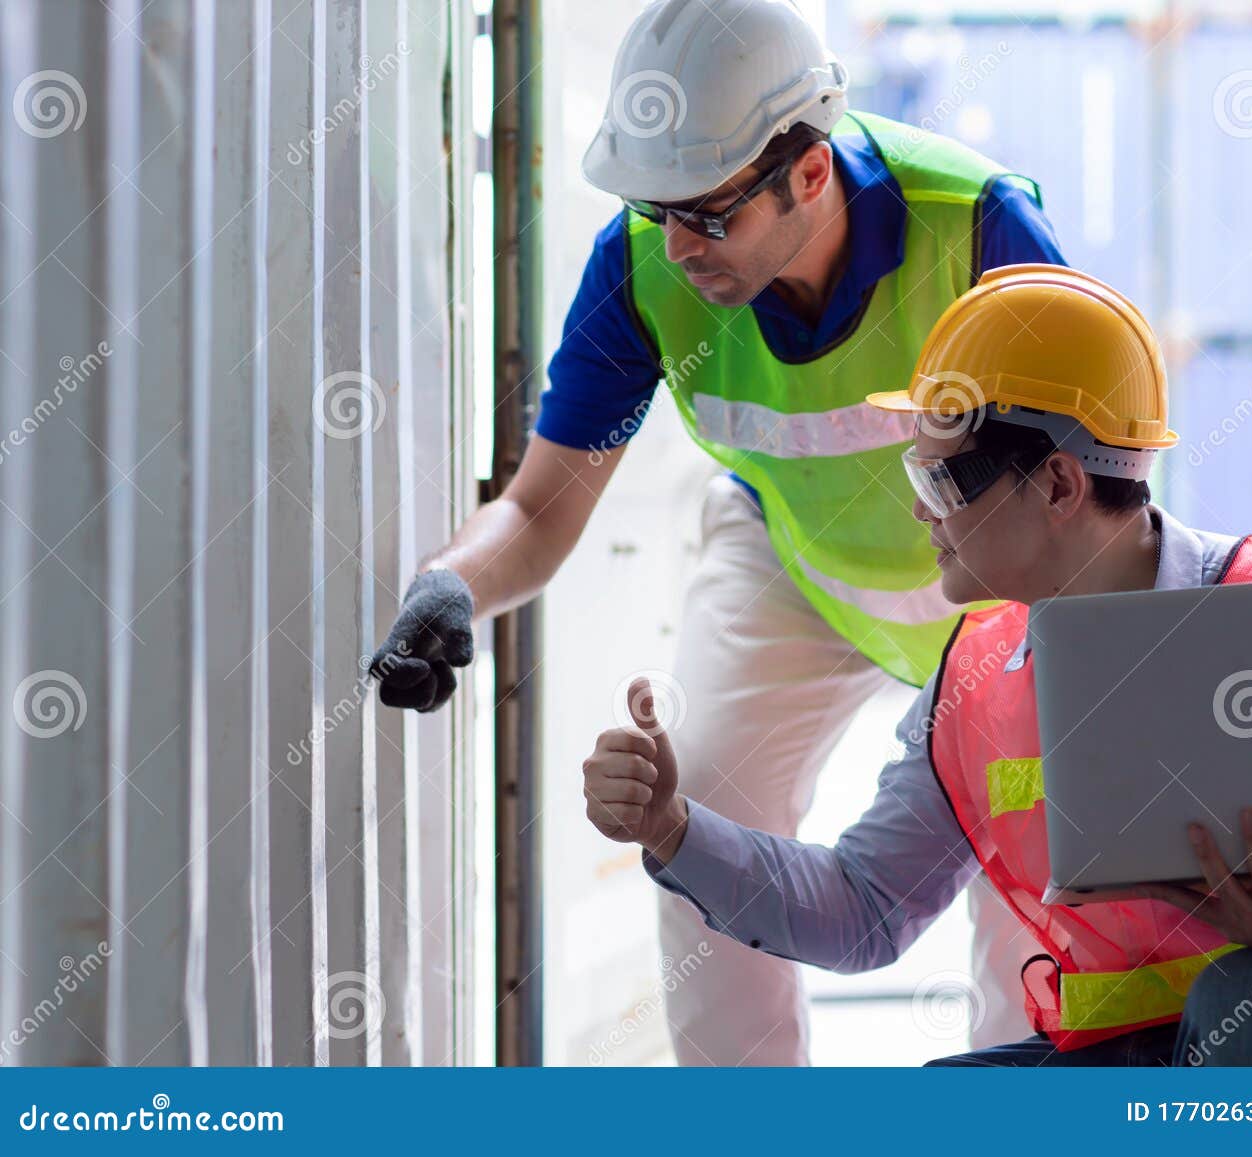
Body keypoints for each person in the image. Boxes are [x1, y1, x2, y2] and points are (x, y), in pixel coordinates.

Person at [370, 0, 1068, 1064]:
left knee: (1035, 887)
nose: (681, 245)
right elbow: (537, 505)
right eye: (659, 213)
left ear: (809, 172)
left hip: (992, 586)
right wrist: (449, 589)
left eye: (707, 214)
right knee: (692, 814)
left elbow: (1088, 495)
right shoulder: (643, 261)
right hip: (795, 562)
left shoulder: (981, 228)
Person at [581, 264, 1252, 1066]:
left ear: (1058, 483)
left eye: (940, 481)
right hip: (1140, 1065)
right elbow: (863, 910)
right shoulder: (975, 685)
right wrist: (673, 828)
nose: (920, 513)